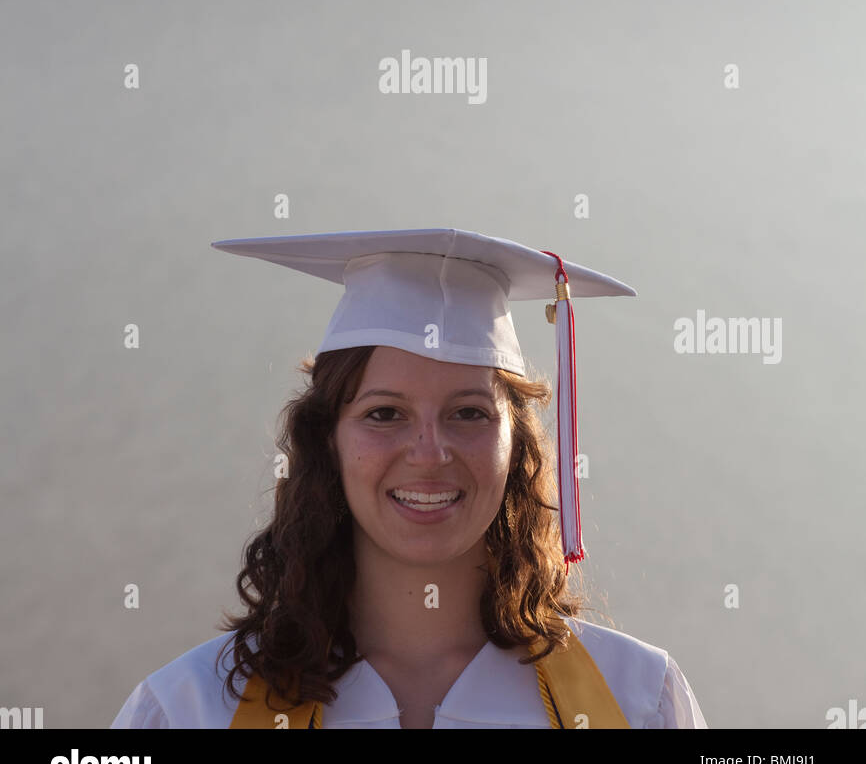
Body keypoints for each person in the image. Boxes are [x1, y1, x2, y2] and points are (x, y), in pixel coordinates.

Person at [111, 228, 707, 729]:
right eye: (384, 414)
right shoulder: (189, 711)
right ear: (327, 441)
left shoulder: (635, 703)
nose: (430, 453)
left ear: (518, 445)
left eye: (469, 413)